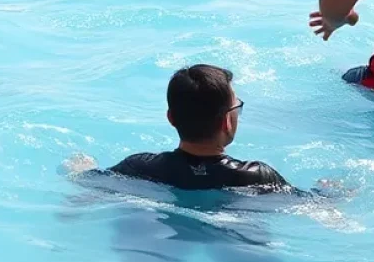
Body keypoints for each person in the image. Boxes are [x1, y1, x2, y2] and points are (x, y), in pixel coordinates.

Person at [98, 65, 292, 192]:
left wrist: (80, 168)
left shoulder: (139, 167)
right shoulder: (257, 177)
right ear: (227, 121)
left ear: (171, 118)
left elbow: (91, 188)